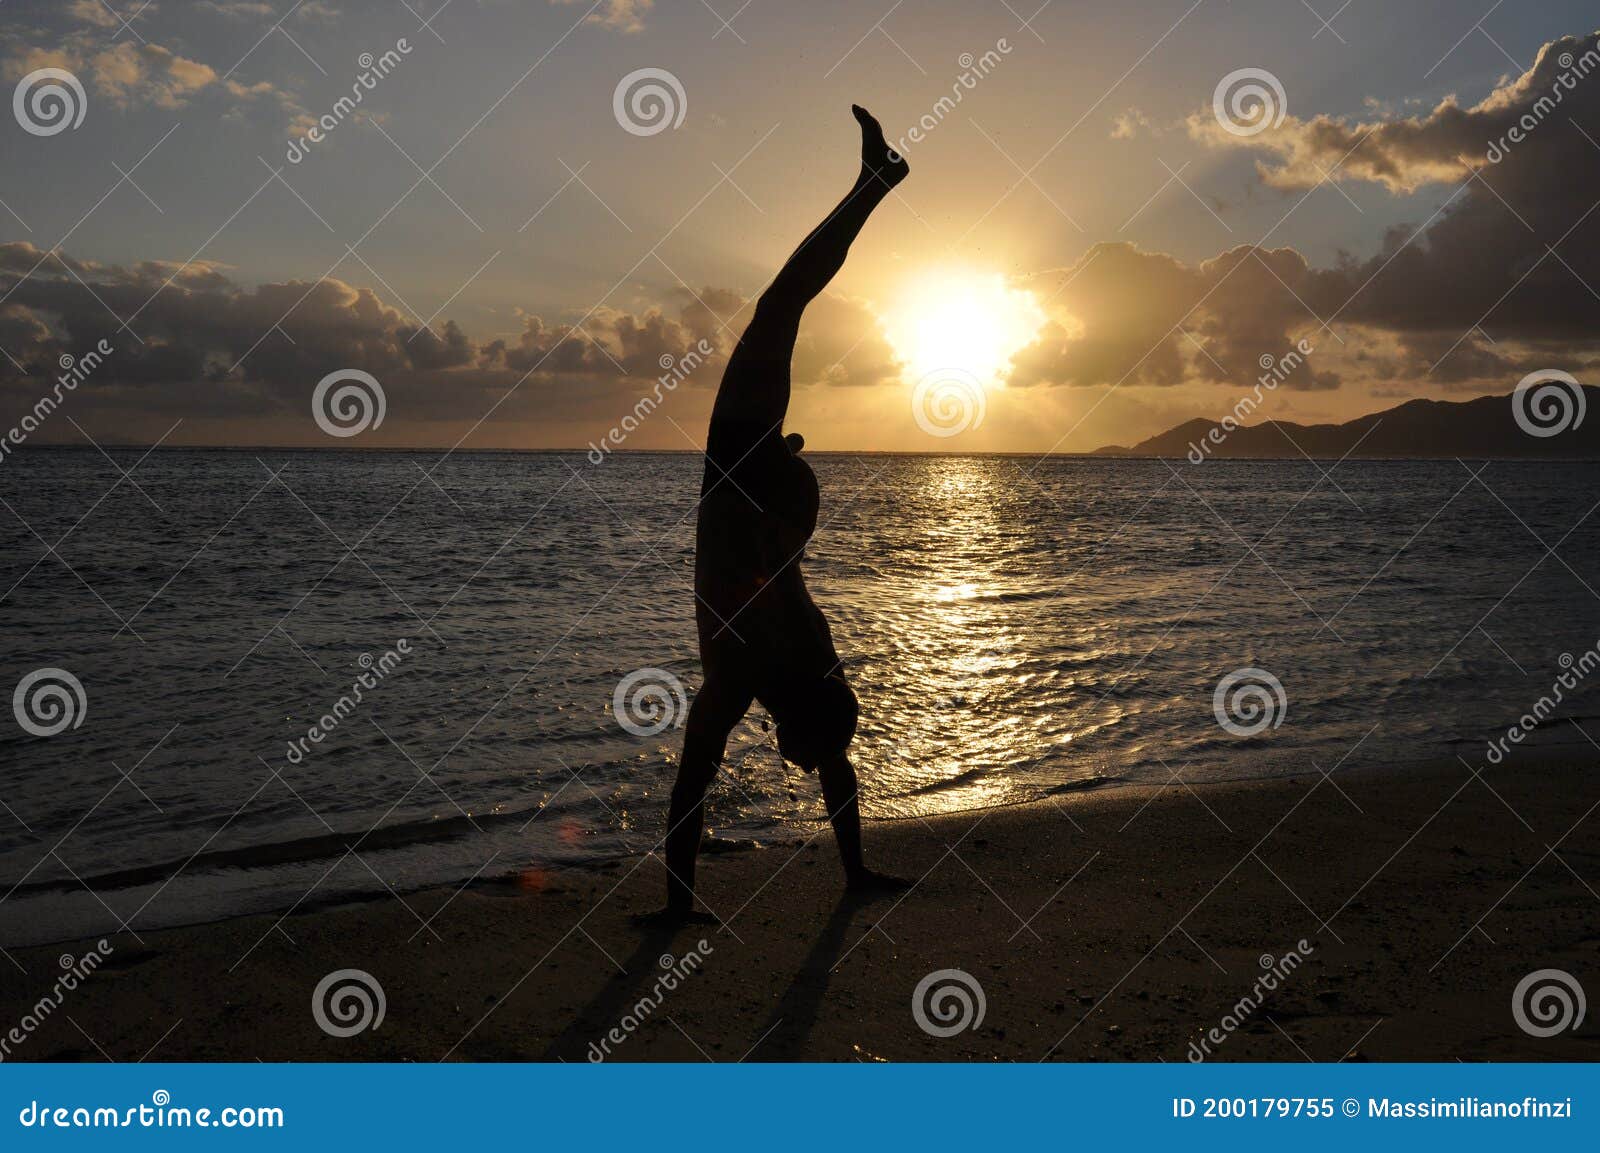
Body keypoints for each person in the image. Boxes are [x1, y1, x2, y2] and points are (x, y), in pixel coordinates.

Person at [660, 105, 911, 920]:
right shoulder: (769, 665)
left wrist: (681, 904)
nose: (786, 753)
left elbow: (817, 760)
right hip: (750, 476)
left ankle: (873, 185)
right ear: (790, 716)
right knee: (780, 307)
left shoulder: (792, 659)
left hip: (767, 487)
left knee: (781, 310)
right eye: (791, 745)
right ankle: (872, 186)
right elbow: (698, 777)